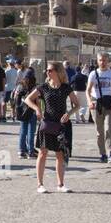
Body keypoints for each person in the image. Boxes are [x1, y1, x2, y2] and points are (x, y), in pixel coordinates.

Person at [25, 61, 73, 193]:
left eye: (50, 70)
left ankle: (61, 184)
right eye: (47, 70)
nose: (48, 72)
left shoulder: (65, 88)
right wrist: (37, 109)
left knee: (60, 155)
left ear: (58, 71)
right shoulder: (43, 87)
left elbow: (77, 104)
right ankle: (40, 184)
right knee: (42, 153)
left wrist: (69, 114)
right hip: (47, 123)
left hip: (61, 125)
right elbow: (27, 99)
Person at [86, 52, 111, 164]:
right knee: (99, 132)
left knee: (108, 129)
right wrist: (89, 102)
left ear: (108, 61)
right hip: (96, 105)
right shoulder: (93, 74)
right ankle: (102, 154)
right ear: (97, 61)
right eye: (101, 60)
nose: (103, 62)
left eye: (105, 60)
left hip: (109, 104)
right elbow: (88, 90)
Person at [14, 69, 39, 159]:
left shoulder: (19, 85)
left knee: (22, 131)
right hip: (31, 110)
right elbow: (36, 100)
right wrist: (38, 110)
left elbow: (15, 98)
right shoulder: (34, 87)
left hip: (21, 111)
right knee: (31, 132)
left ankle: (21, 151)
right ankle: (31, 151)